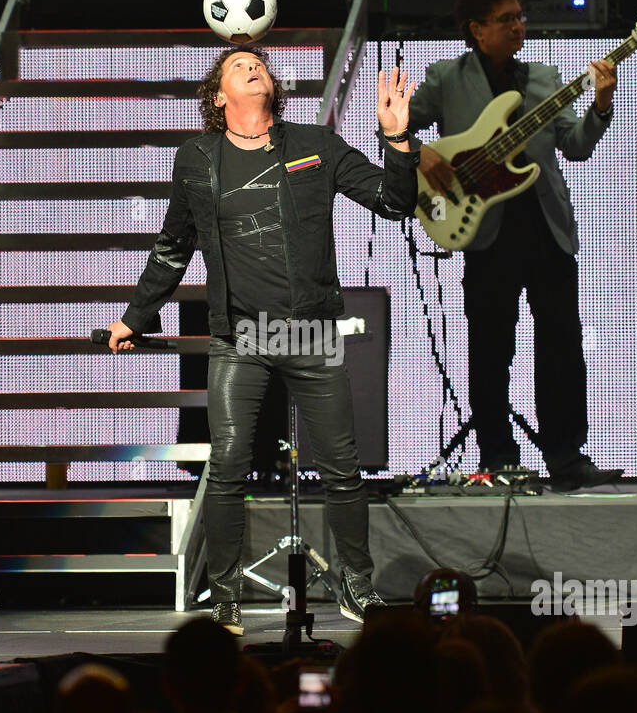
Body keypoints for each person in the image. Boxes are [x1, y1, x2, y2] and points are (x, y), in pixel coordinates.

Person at [106, 47, 421, 633]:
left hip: (309, 330)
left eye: (259, 63)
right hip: (241, 335)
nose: (254, 67)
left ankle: (356, 586)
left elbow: (395, 201)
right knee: (227, 466)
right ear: (219, 95)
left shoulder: (316, 145)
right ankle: (225, 595)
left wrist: (397, 141)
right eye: (238, 65)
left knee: (342, 469)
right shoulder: (198, 158)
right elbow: (174, 244)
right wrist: (136, 315)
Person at [407, 0, 622, 491]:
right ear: (476, 30)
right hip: (483, 231)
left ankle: (567, 458)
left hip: (545, 230)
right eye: (506, 19)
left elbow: (575, 147)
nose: (518, 25)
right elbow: (394, 126)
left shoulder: (545, 77)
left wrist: (601, 105)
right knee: (490, 348)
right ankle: (499, 457)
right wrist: (422, 153)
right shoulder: (446, 78)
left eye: (521, 17)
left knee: (562, 346)